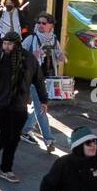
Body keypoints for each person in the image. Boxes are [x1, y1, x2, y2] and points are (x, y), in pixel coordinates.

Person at [0, 31, 45, 184]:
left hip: (20, 103)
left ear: (17, 44)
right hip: (2, 103)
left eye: (9, 44)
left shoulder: (29, 59)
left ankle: (5, 169)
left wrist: (44, 100)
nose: (6, 46)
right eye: (4, 43)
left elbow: (38, 80)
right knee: (6, 134)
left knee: (14, 137)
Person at [21, 13, 65, 152]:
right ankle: (49, 140)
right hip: (34, 78)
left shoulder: (54, 39)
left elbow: (58, 54)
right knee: (41, 107)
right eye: (39, 22)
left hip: (49, 77)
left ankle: (24, 129)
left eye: (44, 23)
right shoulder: (31, 38)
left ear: (51, 25)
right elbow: (19, 52)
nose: (40, 25)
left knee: (38, 105)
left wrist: (61, 56)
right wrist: (31, 55)